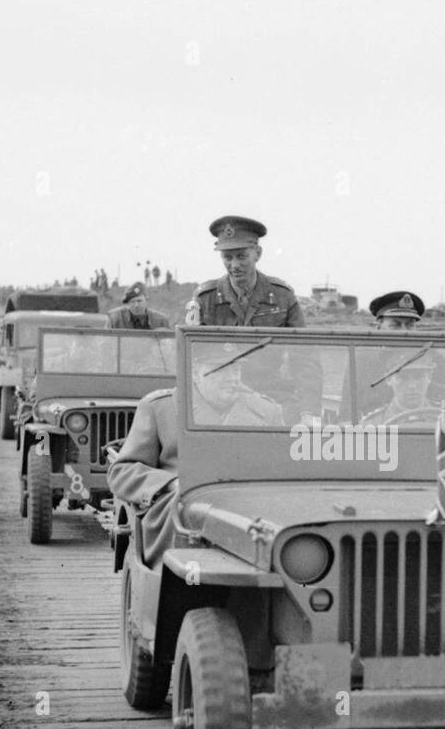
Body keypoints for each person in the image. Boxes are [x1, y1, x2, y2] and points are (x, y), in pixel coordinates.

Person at [109, 348, 280, 567]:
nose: (233, 379)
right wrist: (171, 484)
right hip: (182, 515)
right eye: (221, 370)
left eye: (237, 369)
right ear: (196, 374)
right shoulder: (162, 408)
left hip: (250, 512)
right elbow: (122, 471)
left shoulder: (266, 411)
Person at [186, 216, 320, 418]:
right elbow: (189, 357)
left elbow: (304, 357)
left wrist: (309, 411)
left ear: (257, 253)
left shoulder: (282, 297)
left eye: (241, 256)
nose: (234, 265)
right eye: (227, 258)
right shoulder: (206, 299)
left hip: (269, 393)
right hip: (218, 397)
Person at [359, 290, 445, 414]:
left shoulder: (433, 358)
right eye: (396, 325)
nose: (404, 332)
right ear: (379, 327)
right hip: (375, 431)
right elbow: (346, 418)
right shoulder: (362, 361)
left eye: (409, 325)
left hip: (424, 428)